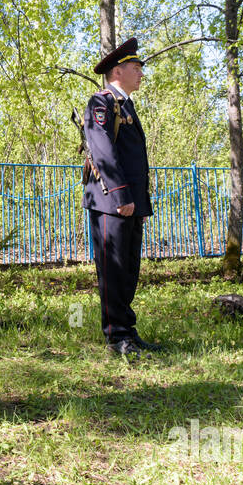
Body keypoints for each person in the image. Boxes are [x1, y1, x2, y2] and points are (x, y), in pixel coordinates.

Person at [82, 37, 160, 359]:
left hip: (130, 203)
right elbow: (103, 151)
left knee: (128, 270)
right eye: (136, 67)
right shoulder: (101, 103)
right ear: (118, 71)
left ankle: (128, 330)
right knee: (113, 270)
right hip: (111, 202)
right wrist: (120, 195)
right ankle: (116, 337)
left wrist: (138, 202)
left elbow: (133, 157)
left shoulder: (125, 105)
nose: (141, 73)